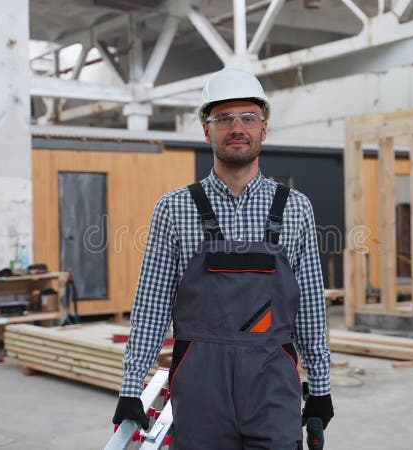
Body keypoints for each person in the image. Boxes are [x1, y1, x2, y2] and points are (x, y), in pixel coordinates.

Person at [112, 67, 333, 449]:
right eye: (224, 118)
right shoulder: (174, 208)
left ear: (264, 128)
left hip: (272, 383)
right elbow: (152, 303)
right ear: (206, 130)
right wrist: (132, 385)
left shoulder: (296, 208)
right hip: (200, 386)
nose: (237, 128)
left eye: (248, 117)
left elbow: (310, 306)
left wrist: (320, 386)